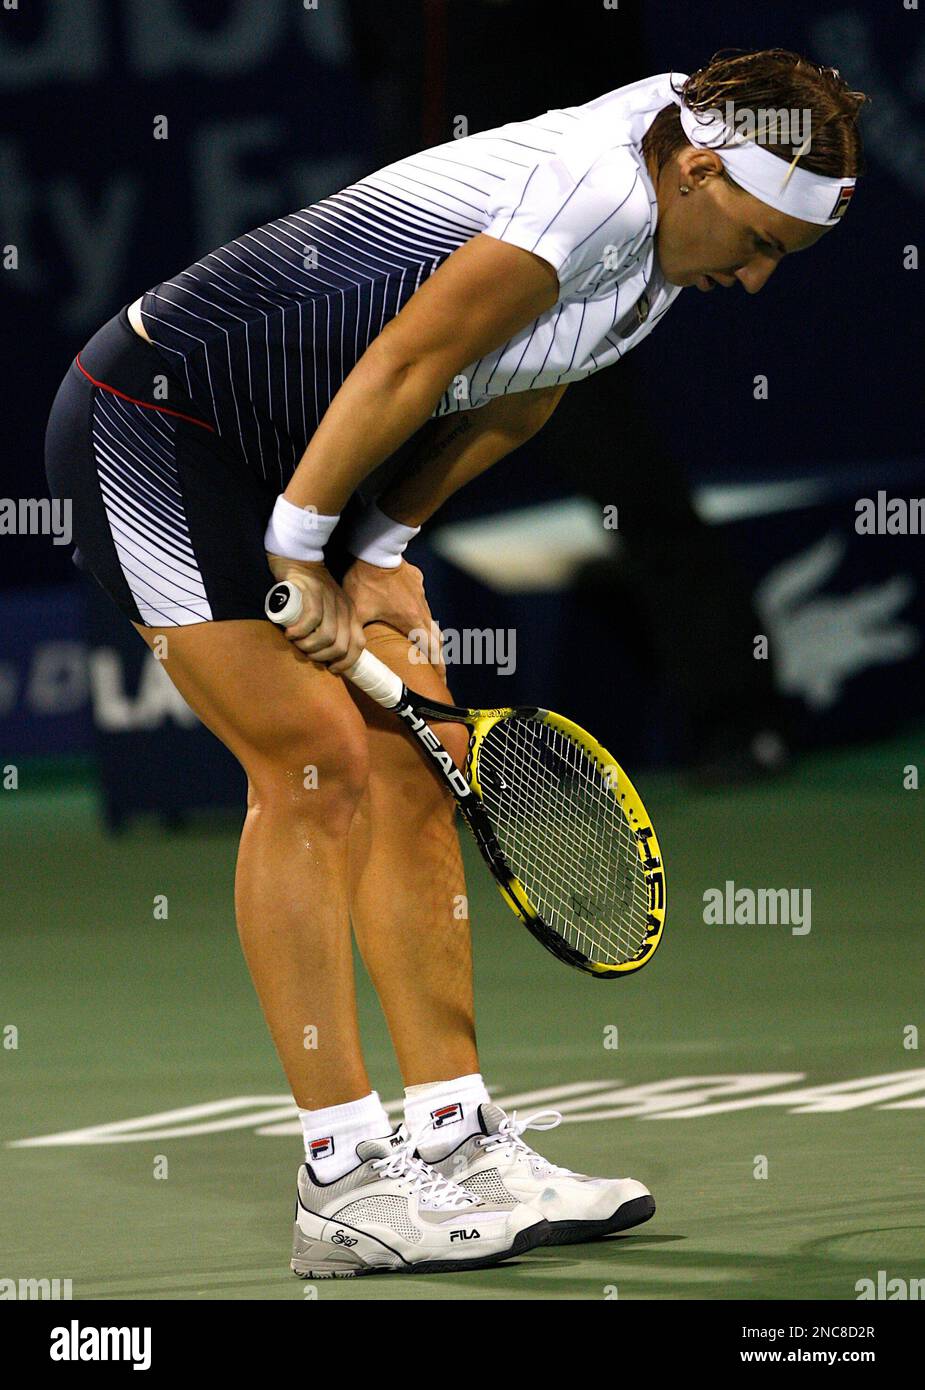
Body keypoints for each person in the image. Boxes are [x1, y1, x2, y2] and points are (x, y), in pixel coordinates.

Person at [45, 50, 865, 1279]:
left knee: (425, 768)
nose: (751, 278)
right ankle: (341, 1179)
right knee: (314, 766)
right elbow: (404, 366)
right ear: (697, 170)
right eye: (755, 242)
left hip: (316, 448)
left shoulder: (672, 223)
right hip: (158, 427)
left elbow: (520, 399)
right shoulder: (591, 193)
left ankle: (456, 1137)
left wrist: (378, 548)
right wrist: (302, 553)